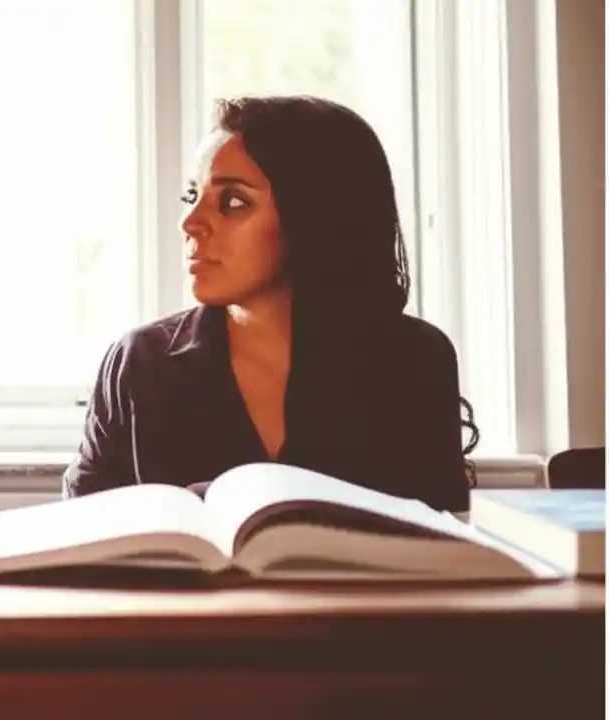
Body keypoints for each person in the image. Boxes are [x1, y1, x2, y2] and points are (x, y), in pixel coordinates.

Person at [64, 96, 478, 512]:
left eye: (233, 203)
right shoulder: (137, 365)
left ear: (314, 217)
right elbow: (81, 532)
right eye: (192, 195)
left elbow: (441, 538)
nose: (190, 222)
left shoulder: (413, 360)